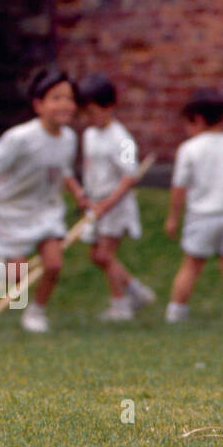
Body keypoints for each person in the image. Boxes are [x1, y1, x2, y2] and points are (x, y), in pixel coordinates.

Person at [0, 66, 87, 333]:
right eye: (56, 98)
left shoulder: (69, 138)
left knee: (54, 263)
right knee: (16, 275)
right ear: (38, 104)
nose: (64, 104)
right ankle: (2, 264)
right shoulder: (20, 138)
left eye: (69, 98)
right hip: (12, 210)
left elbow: (63, 170)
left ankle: (36, 312)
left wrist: (78, 192)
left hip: (47, 210)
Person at [164, 88, 223, 323]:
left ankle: (176, 311)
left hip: (201, 217)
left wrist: (173, 217)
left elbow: (179, 187)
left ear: (199, 120)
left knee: (191, 265)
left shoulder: (189, 150)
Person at [75, 73, 155, 320]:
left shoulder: (122, 139)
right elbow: (89, 168)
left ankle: (120, 305)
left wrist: (108, 203)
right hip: (95, 202)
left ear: (108, 106)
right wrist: (85, 196)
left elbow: (130, 177)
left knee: (104, 255)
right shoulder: (89, 135)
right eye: (84, 113)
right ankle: (135, 291)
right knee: (95, 256)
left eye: (92, 111)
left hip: (116, 205)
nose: (88, 118)